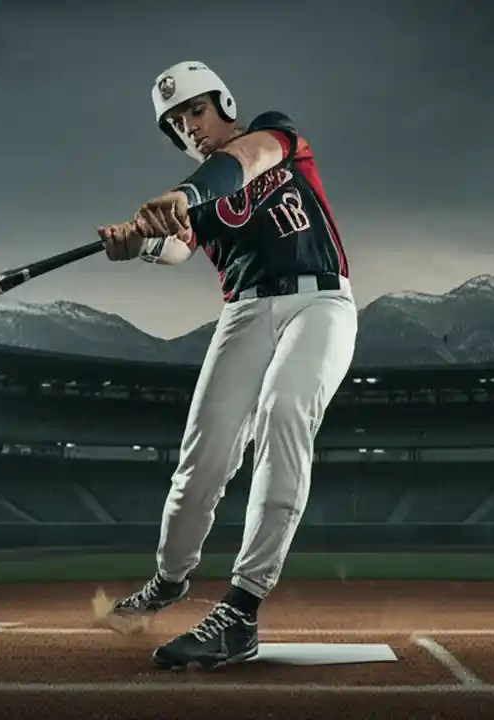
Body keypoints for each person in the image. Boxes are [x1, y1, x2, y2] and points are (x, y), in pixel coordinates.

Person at [95, 60, 357, 670]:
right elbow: (176, 247)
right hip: (242, 314)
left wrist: (181, 195)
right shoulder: (195, 200)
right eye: (176, 124)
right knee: (204, 456)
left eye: (196, 110)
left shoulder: (275, 134)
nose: (190, 128)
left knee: (283, 410)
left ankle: (240, 611)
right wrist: (132, 243)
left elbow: (244, 161)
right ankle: (168, 579)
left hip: (319, 302)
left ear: (223, 103)